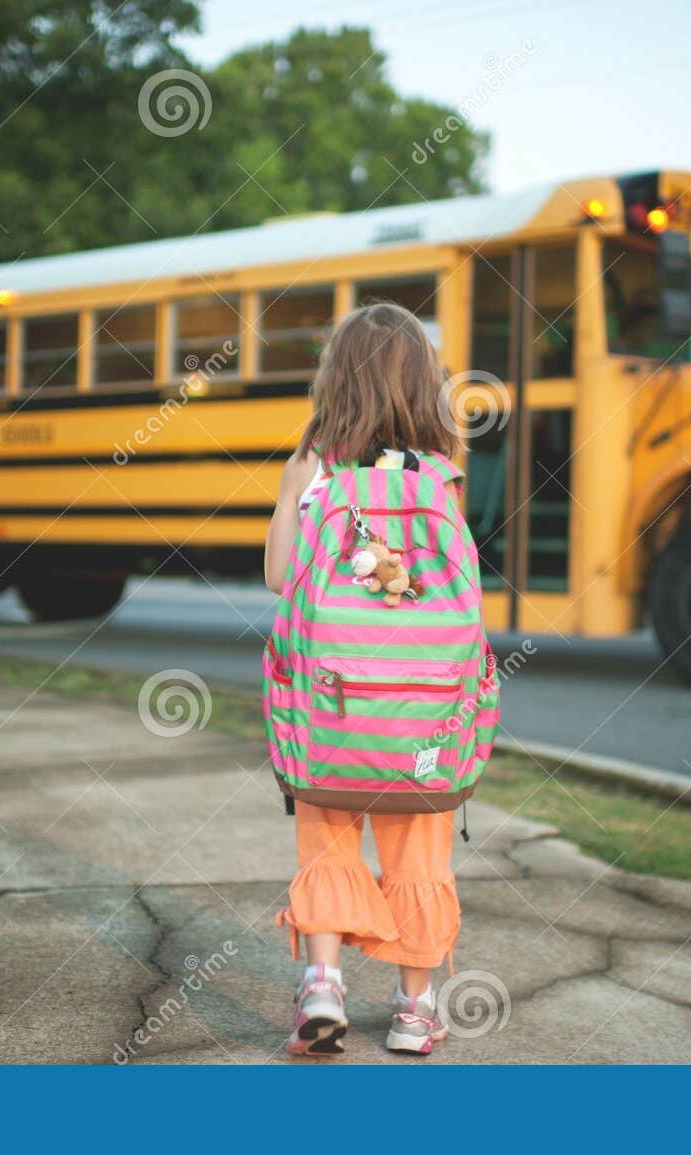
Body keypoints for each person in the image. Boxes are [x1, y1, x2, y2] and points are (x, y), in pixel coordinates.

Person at [263, 301, 467, 1057]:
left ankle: (322, 987)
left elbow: (282, 578)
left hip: (331, 707)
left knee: (326, 845)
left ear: (335, 381)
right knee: (420, 854)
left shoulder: (315, 469)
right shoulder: (440, 479)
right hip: (422, 719)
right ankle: (415, 1010)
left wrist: (292, 494)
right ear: (424, 386)